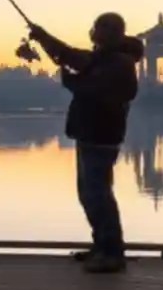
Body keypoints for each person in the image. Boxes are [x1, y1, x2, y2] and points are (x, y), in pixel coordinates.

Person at [28, 14, 144, 272]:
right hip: (89, 134)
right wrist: (43, 36)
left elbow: (94, 87)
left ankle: (112, 254)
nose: (94, 31)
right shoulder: (103, 58)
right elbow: (68, 55)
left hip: (101, 136)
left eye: (100, 27)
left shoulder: (119, 63)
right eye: (96, 27)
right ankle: (101, 246)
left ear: (113, 33)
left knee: (99, 195)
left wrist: (71, 81)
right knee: (89, 195)